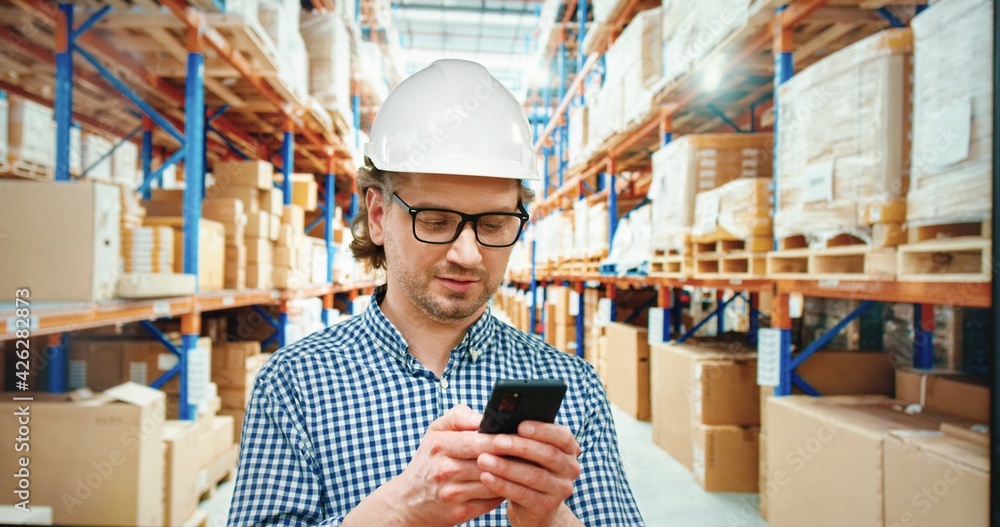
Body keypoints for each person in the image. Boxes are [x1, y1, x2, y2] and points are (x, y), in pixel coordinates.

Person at [228, 59, 644, 526]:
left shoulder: (575, 387)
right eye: (436, 221)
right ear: (379, 216)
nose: (467, 254)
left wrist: (551, 520)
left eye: (494, 224)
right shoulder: (294, 385)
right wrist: (399, 510)